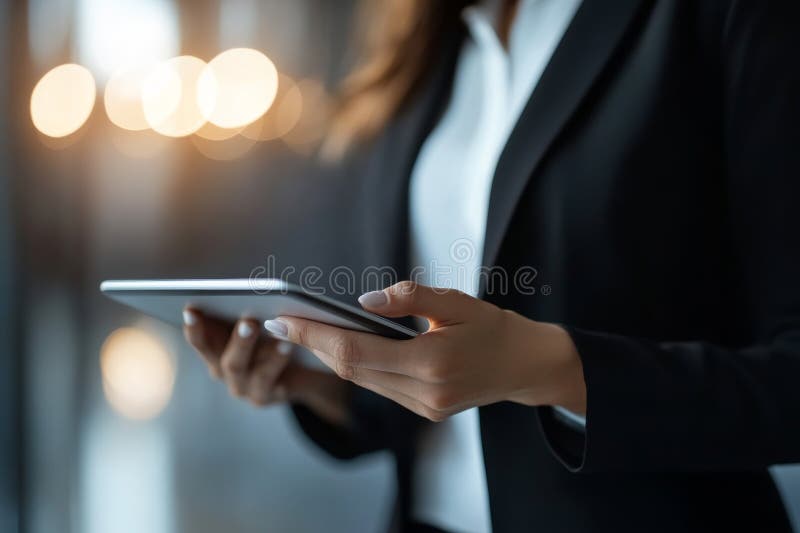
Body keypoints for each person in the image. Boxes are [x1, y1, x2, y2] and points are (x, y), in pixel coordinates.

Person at [183, 0, 800, 531]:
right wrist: (318, 386)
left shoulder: (722, 16)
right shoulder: (430, 51)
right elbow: (436, 394)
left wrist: (553, 369)